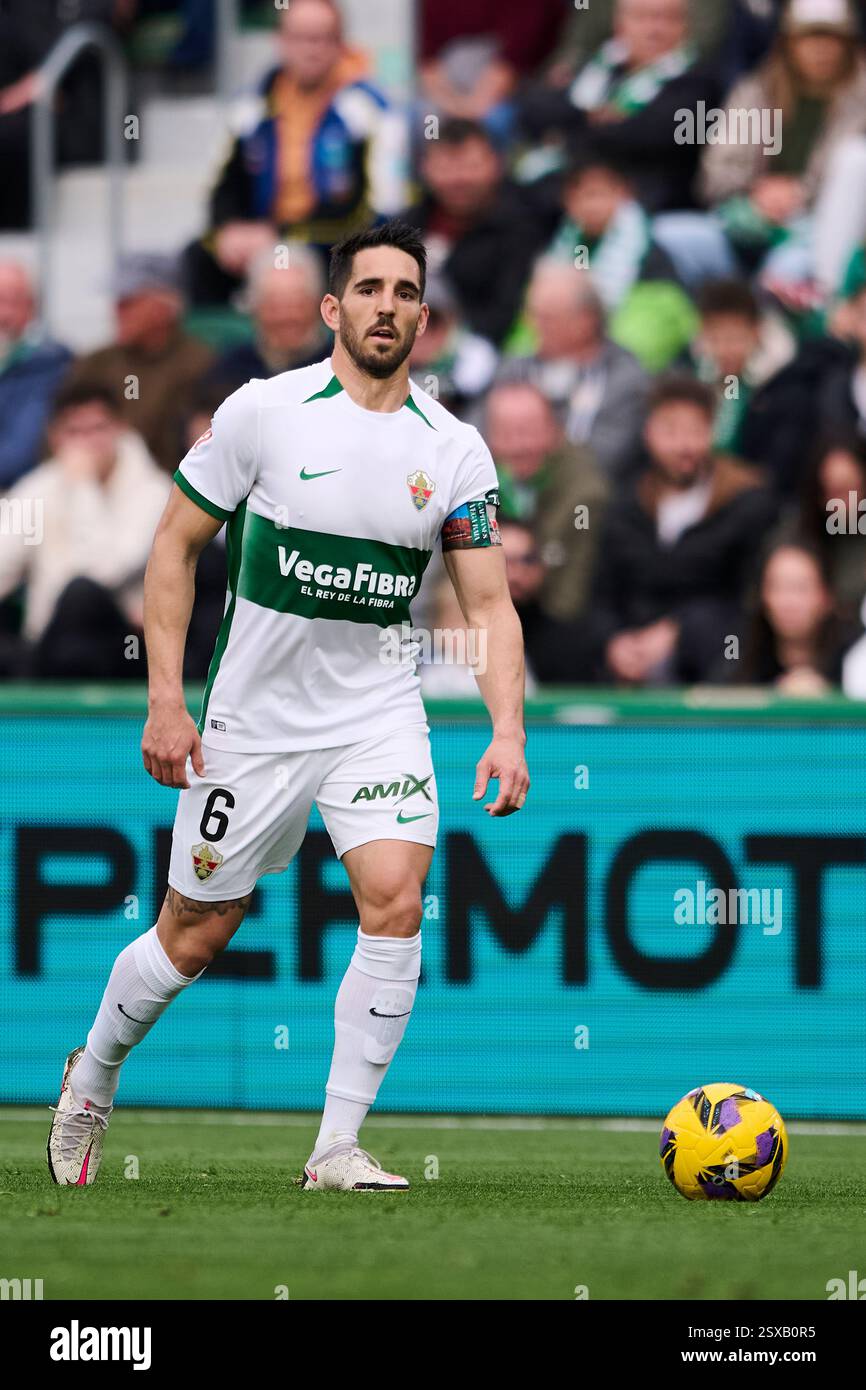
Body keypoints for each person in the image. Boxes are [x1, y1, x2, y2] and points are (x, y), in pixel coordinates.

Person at [46, 219, 530, 1193]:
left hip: (376, 711)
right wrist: (165, 702)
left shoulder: (455, 450)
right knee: (194, 933)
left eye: (403, 292)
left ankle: (333, 1148)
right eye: (367, 289)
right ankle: (91, 1075)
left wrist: (507, 730)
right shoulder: (264, 412)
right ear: (330, 308)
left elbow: (486, 602)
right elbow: (174, 547)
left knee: (394, 899)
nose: (384, 306)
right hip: (252, 722)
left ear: (423, 316)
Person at [183, 0, 405, 305]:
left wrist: (280, 235)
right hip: (265, 237)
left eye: (322, 38)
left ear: (341, 44)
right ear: (280, 41)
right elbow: (221, 186)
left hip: (332, 241)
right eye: (300, 38)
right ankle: (229, 350)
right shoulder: (251, 105)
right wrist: (230, 230)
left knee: (316, 260)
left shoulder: (372, 111)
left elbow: (377, 211)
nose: (311, 49)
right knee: (199, 256)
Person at [591, 375, 777, 684]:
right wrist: (613, 642)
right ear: (648, 433)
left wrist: (679, 631)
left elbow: (750, 601)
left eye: (695, 430)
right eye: (670, 431)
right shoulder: (624, 505)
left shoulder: (748, 503)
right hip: (630, 661)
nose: (683, 446)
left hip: (710, 659)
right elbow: (601, 596)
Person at [0, 383, 169, 678]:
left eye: (98, 428)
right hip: (45, 648)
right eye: (75, 431)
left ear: (120, 429)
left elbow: (101, 572)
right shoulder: (38, 486)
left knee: (81, 595)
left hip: (122, 649)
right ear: (55, 437)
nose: (88, 442)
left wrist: (82, 486)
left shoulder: (155, 490)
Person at [401, 118, 546, 347]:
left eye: (471, 166)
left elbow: (505, 315)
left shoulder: (521, 227)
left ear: (496, 164)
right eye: (446, 167)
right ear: (424, 168)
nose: (459, 179)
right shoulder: (406, 225)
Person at [65, 253, 214, 474]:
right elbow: (58, 429)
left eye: (128, 302)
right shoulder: (94, 364)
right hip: (82, 479)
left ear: (164, 307)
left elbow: (182, 449)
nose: (116, 311)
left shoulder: (199, 365)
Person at [501, 259, 649, 477]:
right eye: (532, 315)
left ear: (586, 321)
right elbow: (478, 432)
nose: (534, 326)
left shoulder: (624, 378)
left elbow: (606, 457)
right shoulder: (516, 369)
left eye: (547, 317)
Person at [484, 381, 608, 621]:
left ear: (554, 430)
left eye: (529, 431)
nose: (519, 446)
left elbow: (569, 599)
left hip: (555, 623)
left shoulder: (584, 496)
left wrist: (530, 564)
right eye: (507, 433)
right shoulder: (474, 479)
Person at [205, 245, 332, 398]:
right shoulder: (232, 368)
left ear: (318, 304)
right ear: (255, 309)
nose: (286, 316)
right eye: (274, 306)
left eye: (297, 304)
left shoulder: (341, 366)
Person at [689, 278, 795, 454]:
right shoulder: (707, 376)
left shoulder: (783, 383)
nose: (725, 350)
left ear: (756, 333)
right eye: (715, 340)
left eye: (734, 339)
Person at [735, 541, 853, 691]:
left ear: (827, 597)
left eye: (800, 588)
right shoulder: (746, 652)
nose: (788, 602)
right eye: (778, 587)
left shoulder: (854, 655)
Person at [0, 260, 72, 488]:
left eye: (13, 301)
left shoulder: (51, 366)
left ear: (32, 308)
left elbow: (20, 454)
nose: (3, 313)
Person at [499, 519, 596, 683]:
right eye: (502, 561)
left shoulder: (569, 646)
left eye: (527, 560)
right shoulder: (460, 639)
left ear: (541, 567)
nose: (515, 573)